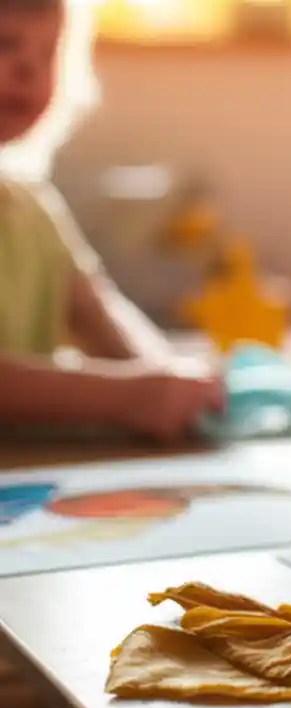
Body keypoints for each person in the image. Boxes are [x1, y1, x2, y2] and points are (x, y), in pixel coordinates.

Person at [0, 0, 223, 442]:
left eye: (47, 54)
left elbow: (102, 315)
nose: (28, 68)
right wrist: (122, 397)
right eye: (4, 43)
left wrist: (166, 374)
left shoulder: (33, 209)